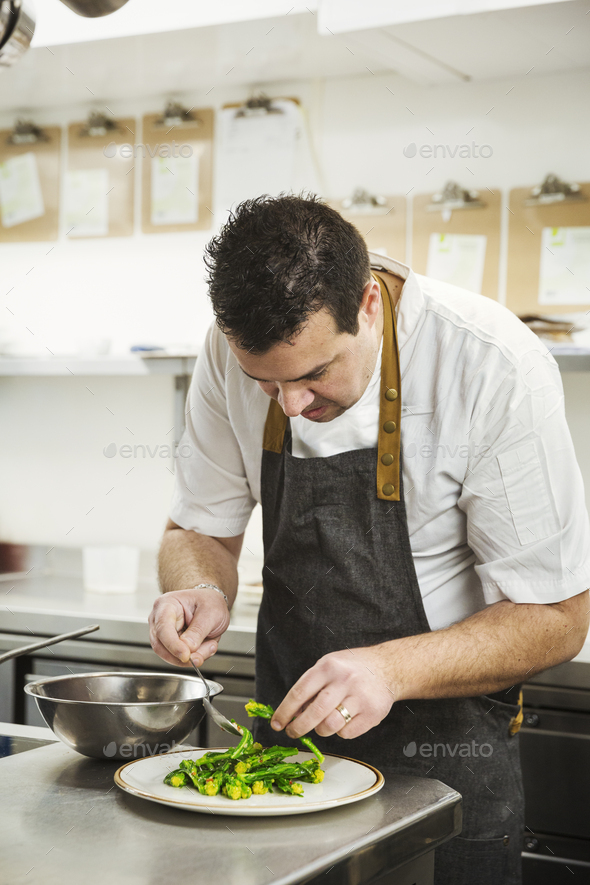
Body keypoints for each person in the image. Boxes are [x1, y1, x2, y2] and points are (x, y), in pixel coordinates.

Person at [149, 193, 590, 885]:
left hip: (450, 775)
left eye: (313, 374)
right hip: (285, 774)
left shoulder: (488, 361)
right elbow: (198, 525)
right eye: (263, 382)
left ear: (368, 307)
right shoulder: (226, 352)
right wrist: (199, 585)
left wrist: (388, 669)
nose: (291, 405)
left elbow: (558, 616)